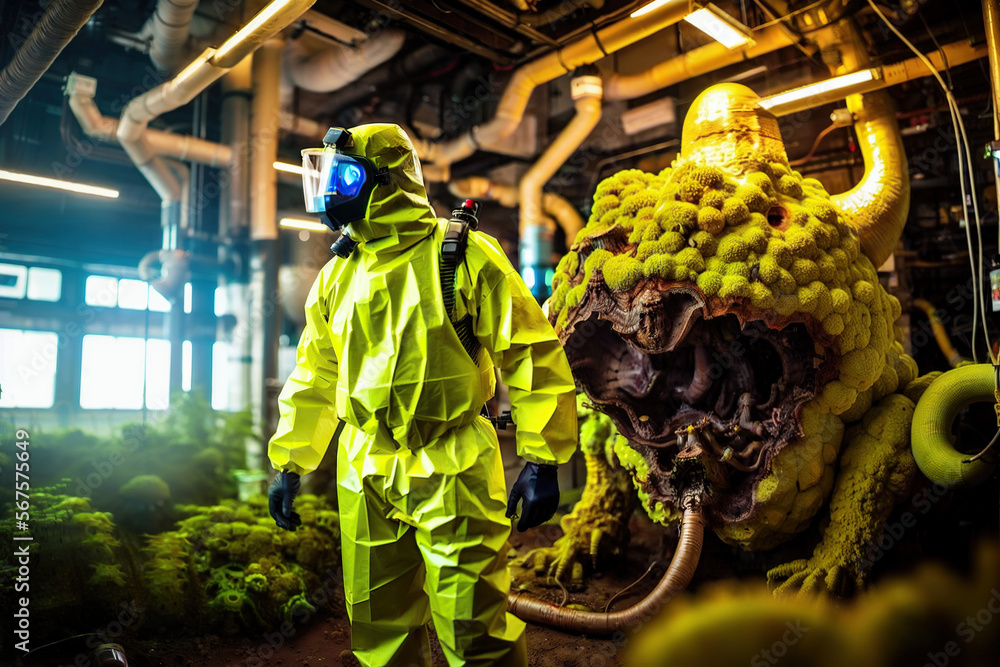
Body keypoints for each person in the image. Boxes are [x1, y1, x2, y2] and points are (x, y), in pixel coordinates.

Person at [266, 123, 578, 666]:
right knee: (377, 625)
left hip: (452, 462)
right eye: (325, 177)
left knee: (474, 624)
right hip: (364, 466)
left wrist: (544, 458)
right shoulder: (337, 276)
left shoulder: (462, 255)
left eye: (344, 176)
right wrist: (290, 460)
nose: (330, 192)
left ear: (387, 180)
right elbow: (315, 372)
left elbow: (530, 352)